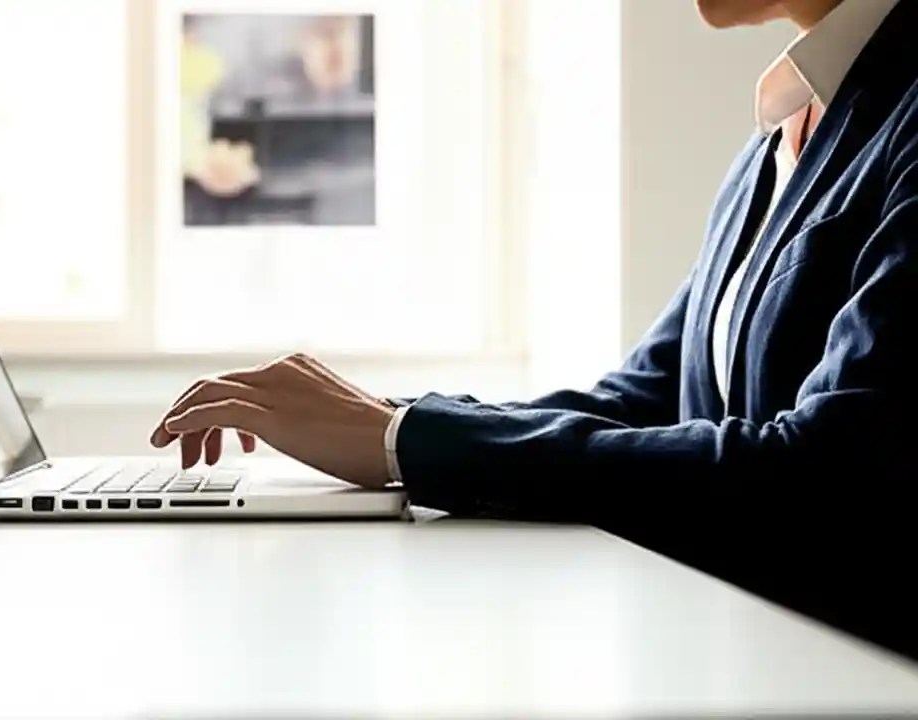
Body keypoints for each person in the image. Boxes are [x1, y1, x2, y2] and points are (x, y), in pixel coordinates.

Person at [151, 0, 918, 657]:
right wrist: (379, 420)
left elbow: (826, 476)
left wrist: (403, 439)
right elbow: (639, 403)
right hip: (748, 659)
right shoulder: (782, 128)